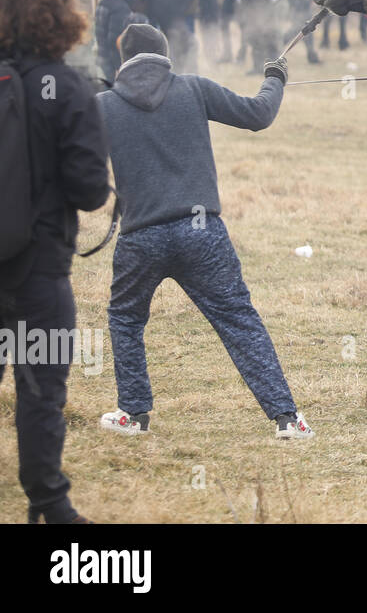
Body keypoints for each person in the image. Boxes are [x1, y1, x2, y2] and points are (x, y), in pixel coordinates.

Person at [95, 23, 313, 439]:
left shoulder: (103, 106)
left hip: (139, 236)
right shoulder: (192, 87)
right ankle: (288, 420)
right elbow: (258, 114)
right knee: (238, 319)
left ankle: (134, 415)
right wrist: (275, 78)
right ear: (166, 53)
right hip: (202, 231)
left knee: (125, 318)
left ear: (121, 59)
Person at [0, 0, 111, 523]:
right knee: (40, 392)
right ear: (63, 13)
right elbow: (92, 191)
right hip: (39, 273)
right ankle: (47, 505)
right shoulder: (68, 89)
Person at [94, 0, 148, 80]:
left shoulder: (105, 1)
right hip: (112, 68)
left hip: (102, 60)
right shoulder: (120, 8)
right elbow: (115, 41)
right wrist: (119, 67)